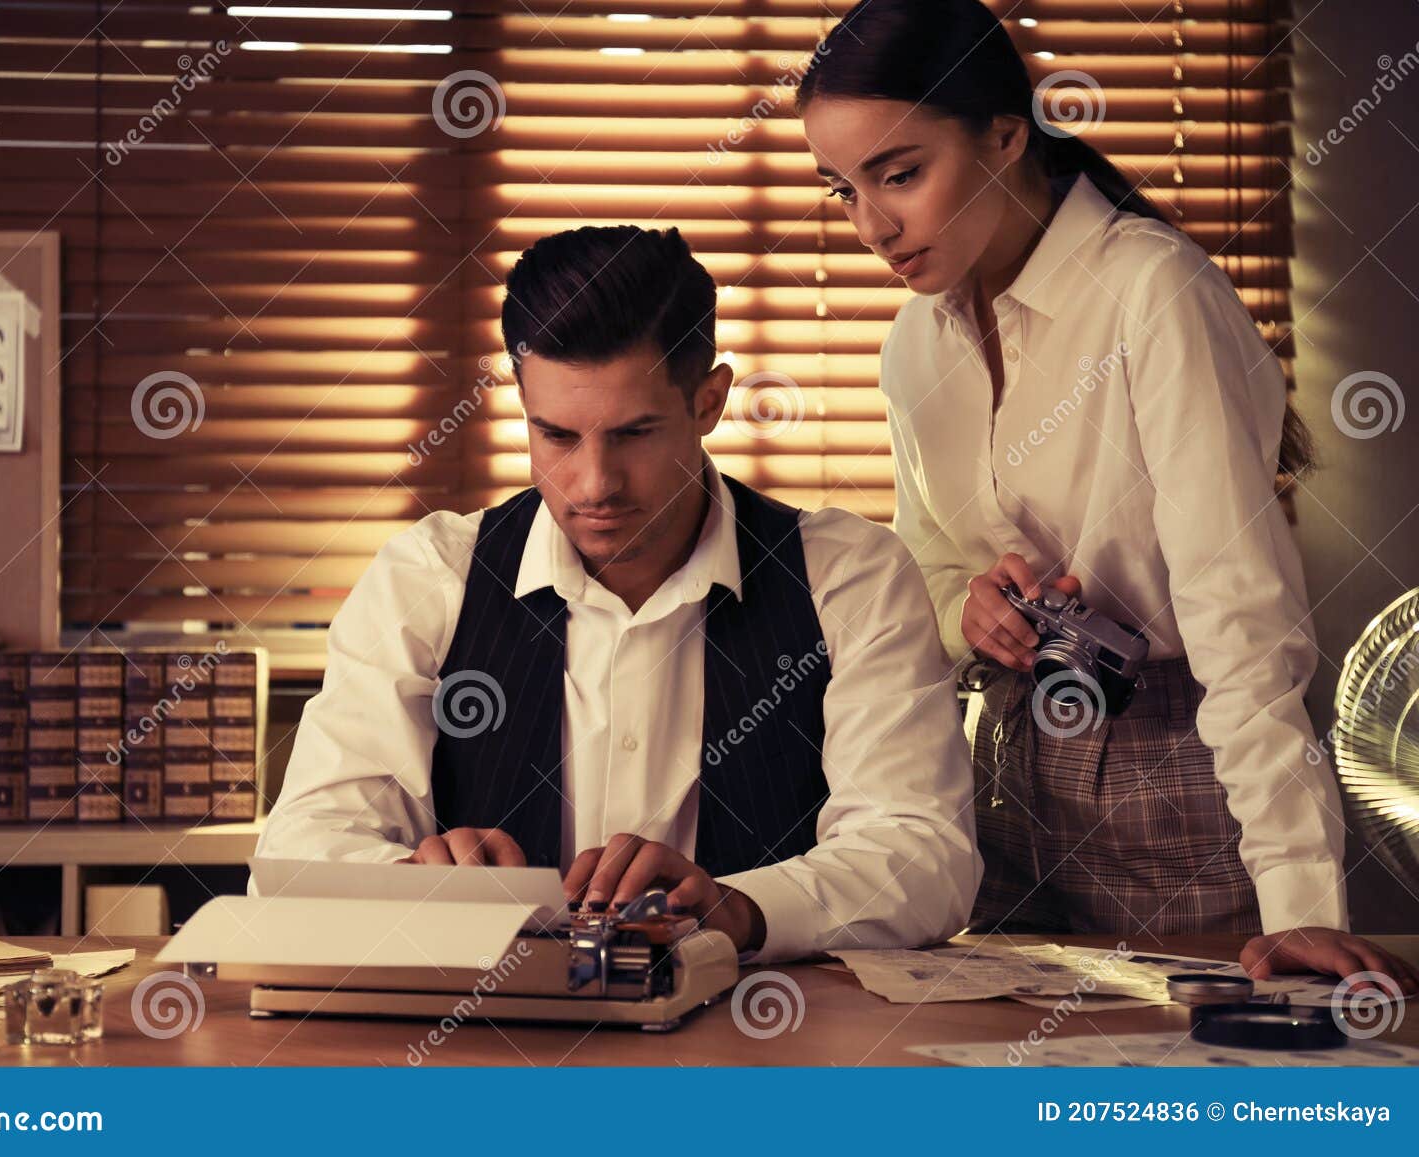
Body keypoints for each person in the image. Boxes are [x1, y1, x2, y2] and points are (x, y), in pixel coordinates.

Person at [796, 0, 1417, 990]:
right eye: (842, 190)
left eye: (900, 174)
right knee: (985, 1090)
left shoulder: (1153, 293)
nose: (872, 225)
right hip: (1001, 764)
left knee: (1189, 1099)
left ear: (1003, 136)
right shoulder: (914, 343)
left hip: (1176, 771)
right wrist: (968, 605)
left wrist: (1302, 906)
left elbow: (1243, 621)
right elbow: (922, 564)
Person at [255, 224, 981, 963]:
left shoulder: (851, 577)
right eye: (558, 435)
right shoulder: (426, 578)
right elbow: (301, 852)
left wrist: (741, 907)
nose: (594, 484)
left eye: (635, 433)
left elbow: (925, 854)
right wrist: (416, 883)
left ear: (710, 401)